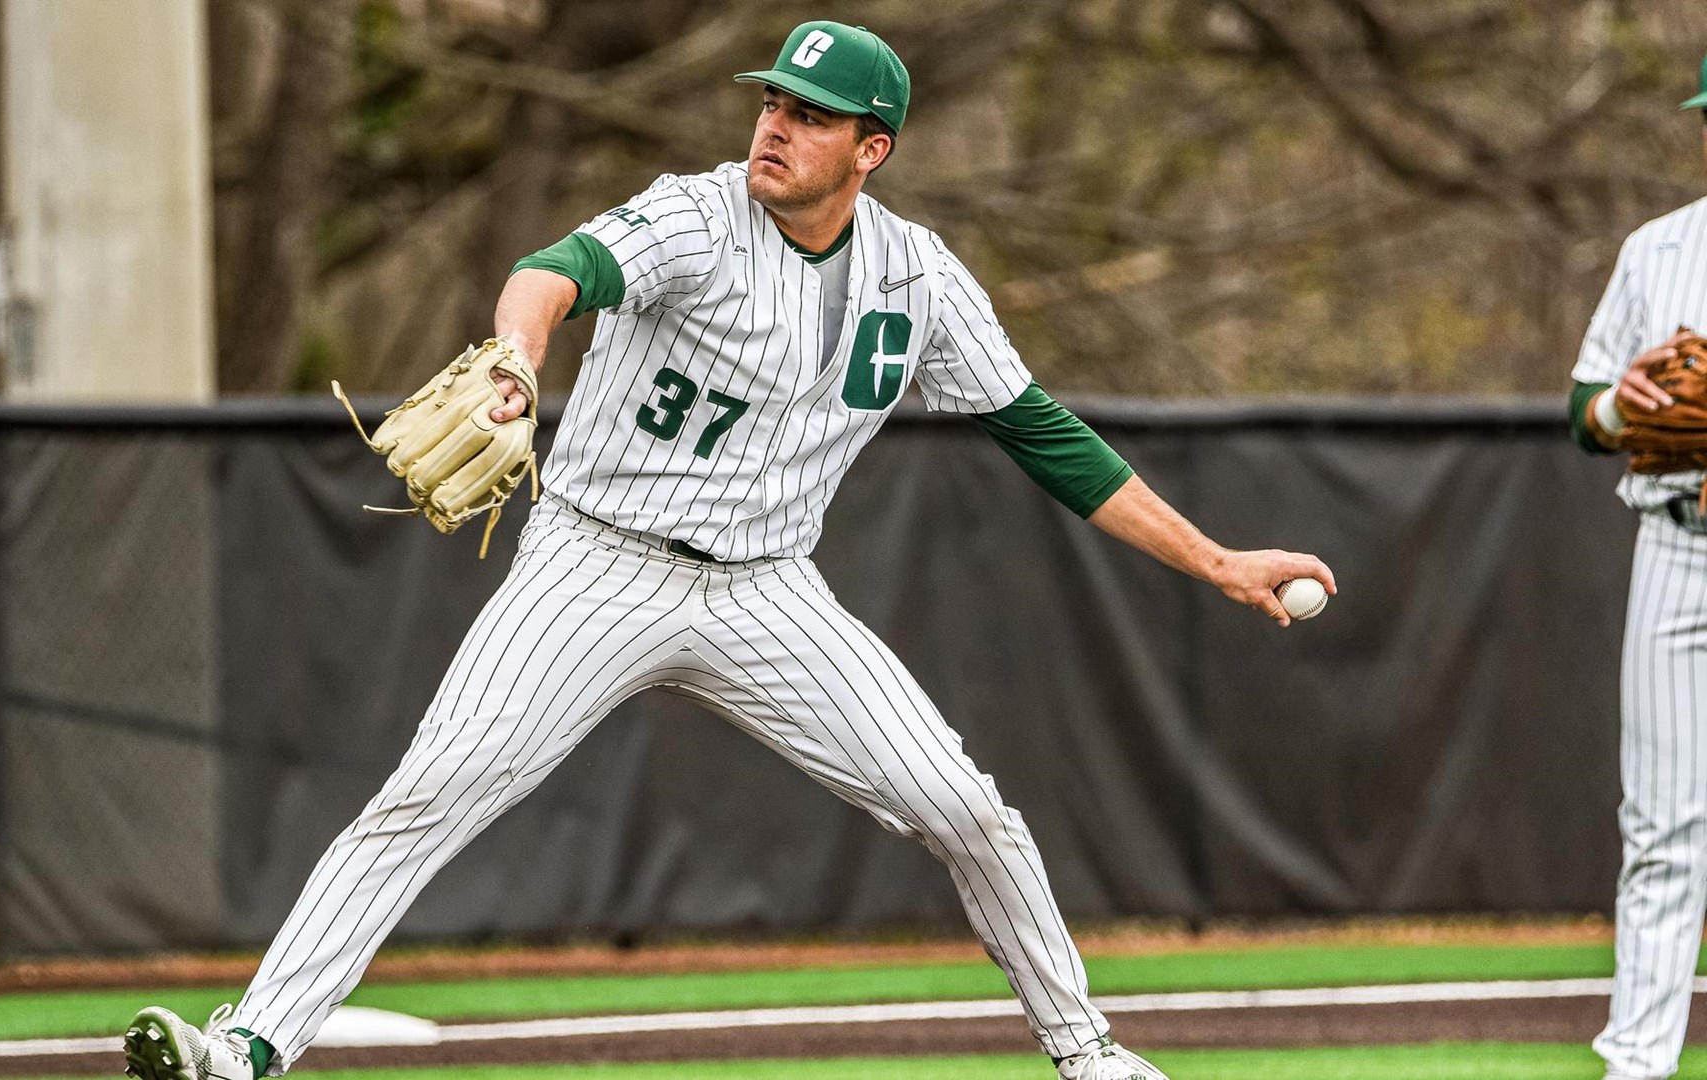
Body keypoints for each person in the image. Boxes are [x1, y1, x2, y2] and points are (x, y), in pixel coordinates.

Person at [122, 21, 1335, 1080]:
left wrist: (1216, 561)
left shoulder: (917, 278)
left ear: (873, 150)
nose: (776, 127)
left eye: (812, 117)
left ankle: (1089, 1053)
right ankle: (247, 1048)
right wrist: (516, 355)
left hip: (767, 589)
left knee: (966, 808)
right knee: (430, 794)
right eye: (772, 101)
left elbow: (1041, 433)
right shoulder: (697, 216)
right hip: (595, 564)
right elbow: (554, 273)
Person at [1569, 51, 1707, 1080]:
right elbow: (1583, 412)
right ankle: (1640, 1066)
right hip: (1678, 545)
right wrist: (1626, 408)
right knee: (1661, 827)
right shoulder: (1658, 250)